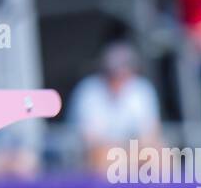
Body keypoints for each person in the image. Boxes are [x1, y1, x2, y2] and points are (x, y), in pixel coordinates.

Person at [69, 41, 162, 173]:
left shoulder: (142, 89)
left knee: (161, 156)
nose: (119, 77)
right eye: (114, 72)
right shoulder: (88, 91)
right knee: (102, 158)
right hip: (95, 155)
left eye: (124, 71)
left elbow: (151, 135)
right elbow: (91, 142)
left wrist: (130, 153)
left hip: (129, 152)